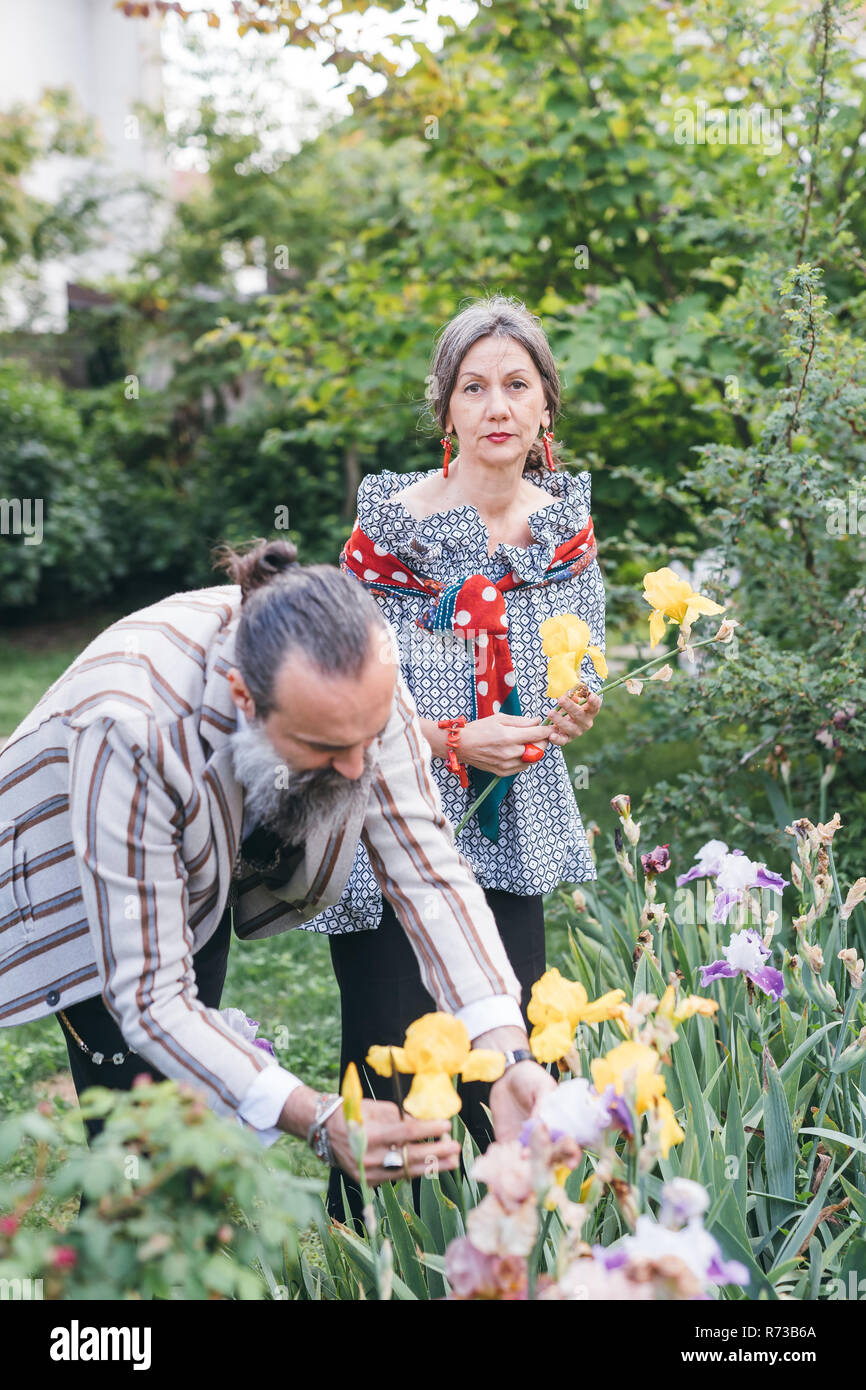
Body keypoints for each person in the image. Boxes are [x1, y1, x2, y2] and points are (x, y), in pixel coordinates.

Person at [0, 540, 554, 1185]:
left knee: (192, 1075)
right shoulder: (131, 728)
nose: (358, 770)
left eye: (367, 741)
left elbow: (428, 872)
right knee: (134, 1092)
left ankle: (187, 1200)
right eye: (326, 747)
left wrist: (507, 1053)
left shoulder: (358, 675)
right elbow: (151, 995)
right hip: (69, 859)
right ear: (243, 696)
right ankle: (140, 1230)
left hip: (195, 844)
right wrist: (316, 1117)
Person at [308, 295, 606, 1215]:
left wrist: (569, 711)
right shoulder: (391, 535)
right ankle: (378, 1251)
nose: (497, 407)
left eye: (517, 385)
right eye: (473, 388)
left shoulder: (563, 531)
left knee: (512, 1039)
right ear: (446, 411)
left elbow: (583, 652)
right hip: (397, 813)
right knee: (390, 1045)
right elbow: (337, 686)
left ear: (546, 406)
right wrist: (446, 739)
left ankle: (508, 1238)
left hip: (512, 821)